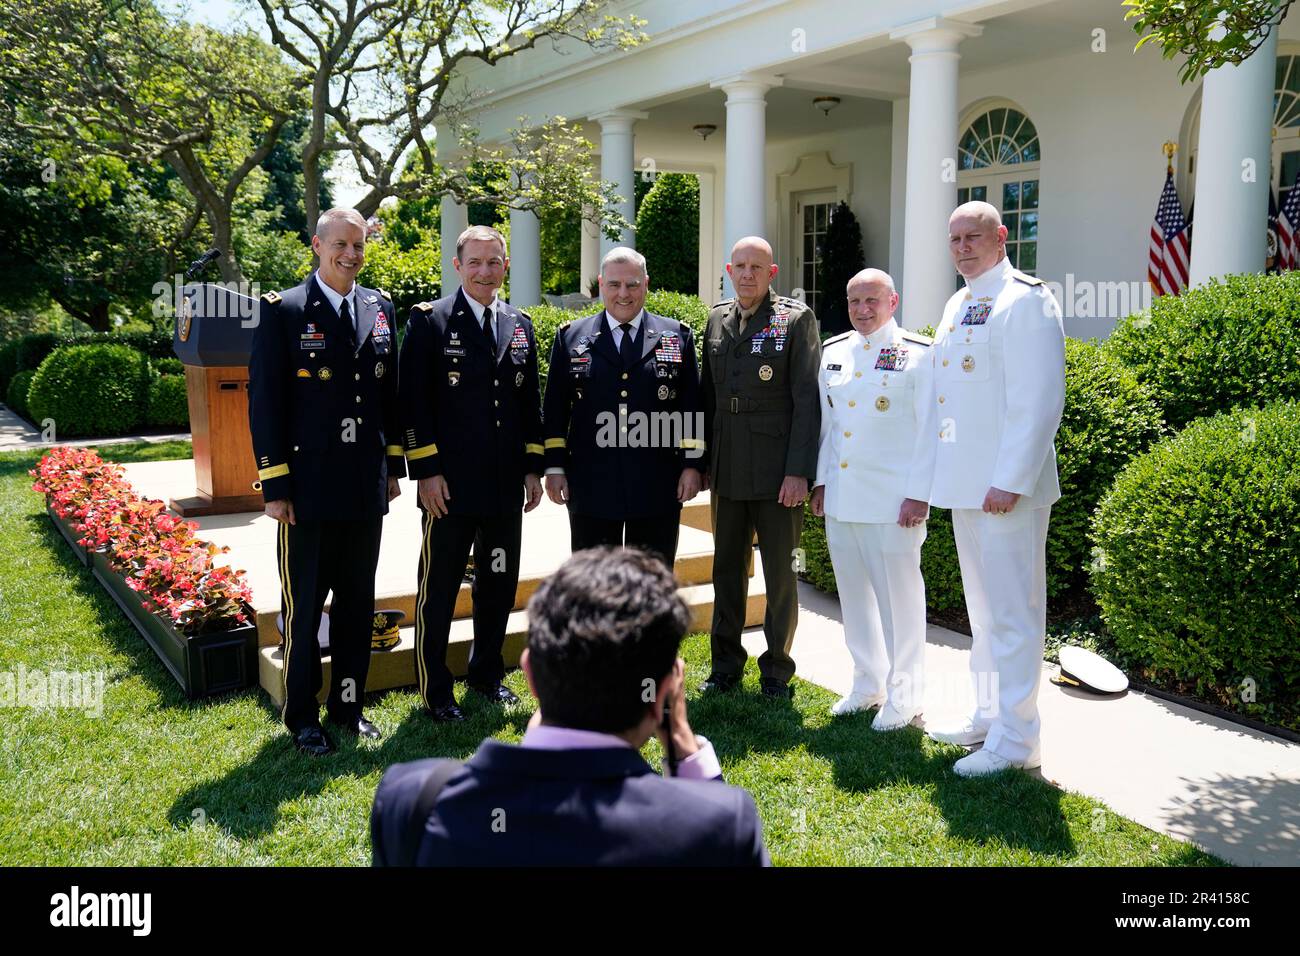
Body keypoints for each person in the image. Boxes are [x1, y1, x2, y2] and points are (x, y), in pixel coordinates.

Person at [370, 547, 770, 866]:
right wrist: (682, 742)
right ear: (665, 694)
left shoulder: (412, 803)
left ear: (529, 674)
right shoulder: (719, 826)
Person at [248, 207, 404, 756]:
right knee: (306, 605)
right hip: (307, 493)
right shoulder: (284, 310)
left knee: (358, 606)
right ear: (317, 245)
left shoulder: (378, 307)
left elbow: (388, 398)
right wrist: (275, 486)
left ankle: (348, 705)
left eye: (358, 246)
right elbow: (265, 403)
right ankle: (302, 714)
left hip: (364, 486)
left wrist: (392, 467)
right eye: (340, 244)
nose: (351, 255)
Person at [924, 201, 1065, 777]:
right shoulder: (959, 302)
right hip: (966, 487)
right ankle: (989, 717)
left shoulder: (1026, 299)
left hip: (1007, 490)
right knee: (983, 615)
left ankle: (1018, 739)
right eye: (954, 237)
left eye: (973, 236)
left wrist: (1009, 479)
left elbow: (1038, 400)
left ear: (1002, 237)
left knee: (1014, 614)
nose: (961, 246)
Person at [397, 225, 544, 723]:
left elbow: (528, 405)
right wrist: (427, 473)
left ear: (506, 265)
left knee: (498, 583)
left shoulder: (519, 324)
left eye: (495, 261)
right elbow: (412, 405)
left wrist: (531, 468)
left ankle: (486, 675)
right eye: (475, 262)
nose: (486, 271)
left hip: (504, 487)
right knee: (439, 588)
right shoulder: (430, 322)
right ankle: (435, 689)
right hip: (449, 488)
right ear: (457, 266)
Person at [810, 269, 934, 727]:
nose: (862, 310)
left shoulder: (920, 356)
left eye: (872, 301)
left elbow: (930, 433)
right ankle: (868, 683)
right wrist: (821, 482)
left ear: (893, 301)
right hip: (843, 498)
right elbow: (828, 427)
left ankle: (906, 696)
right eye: (854, 301)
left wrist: (919, 495)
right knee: (854, 598)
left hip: (893, 503)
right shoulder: (833, 353)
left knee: (899, 603)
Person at [699, 236, 821, 699]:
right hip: (727, 468)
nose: (747, 275)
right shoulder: (716, 319)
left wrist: (799, 472)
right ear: (729, 271)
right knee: (726, 569)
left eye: (757, 268)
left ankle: (776, 671)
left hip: (776, 475)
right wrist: (701, 460)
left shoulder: (795, 319)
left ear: (772, 274)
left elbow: (806, 401)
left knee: (781, 573)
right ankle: (725, 666)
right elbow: (704, 398)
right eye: (740, 267)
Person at [542, 247, 704, 565]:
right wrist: (556, 467)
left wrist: (692, 465)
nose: (623, 294)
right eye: (614, 285)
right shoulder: (571, 337)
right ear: (601, 285)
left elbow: (691, 408)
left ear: (646, 284)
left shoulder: (676, 336)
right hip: (591, 487)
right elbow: (556, 410)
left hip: (657, 486)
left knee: (651, 589)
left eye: (632, 284)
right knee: (594, 588)